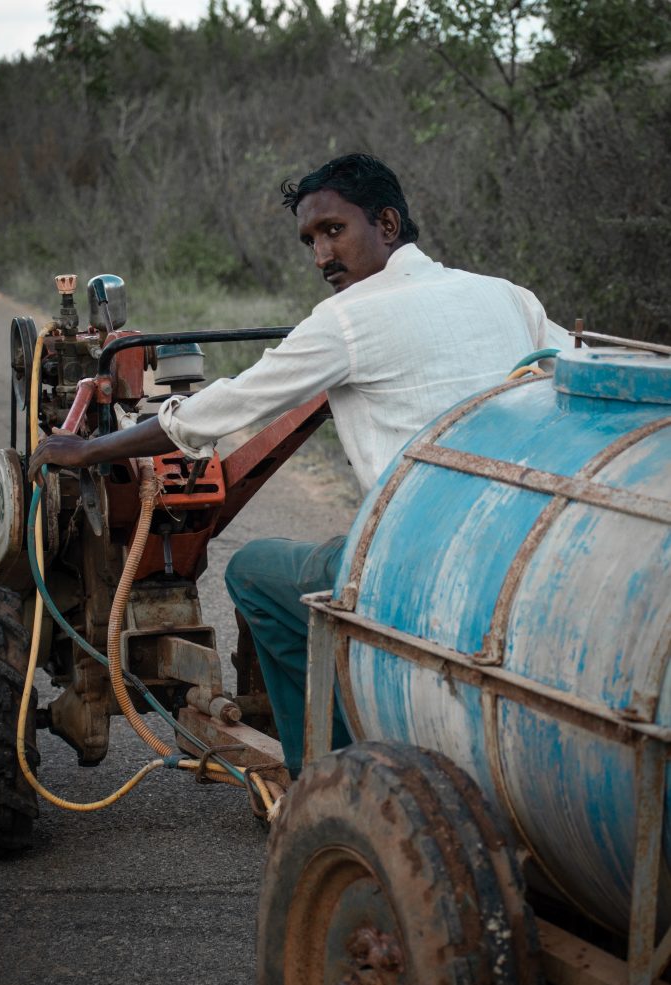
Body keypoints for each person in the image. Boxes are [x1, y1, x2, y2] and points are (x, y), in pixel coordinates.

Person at [29, 153, 568, 778]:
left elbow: (220, 409)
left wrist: (89, 448)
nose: (320, 256)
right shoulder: (507, 297)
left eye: (334, 231)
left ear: (387, 224)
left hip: (416, 562)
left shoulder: (346, 322)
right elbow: (580, 363)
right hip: (524, 542)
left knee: (256, 571)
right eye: (310, 240)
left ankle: (330, 774)